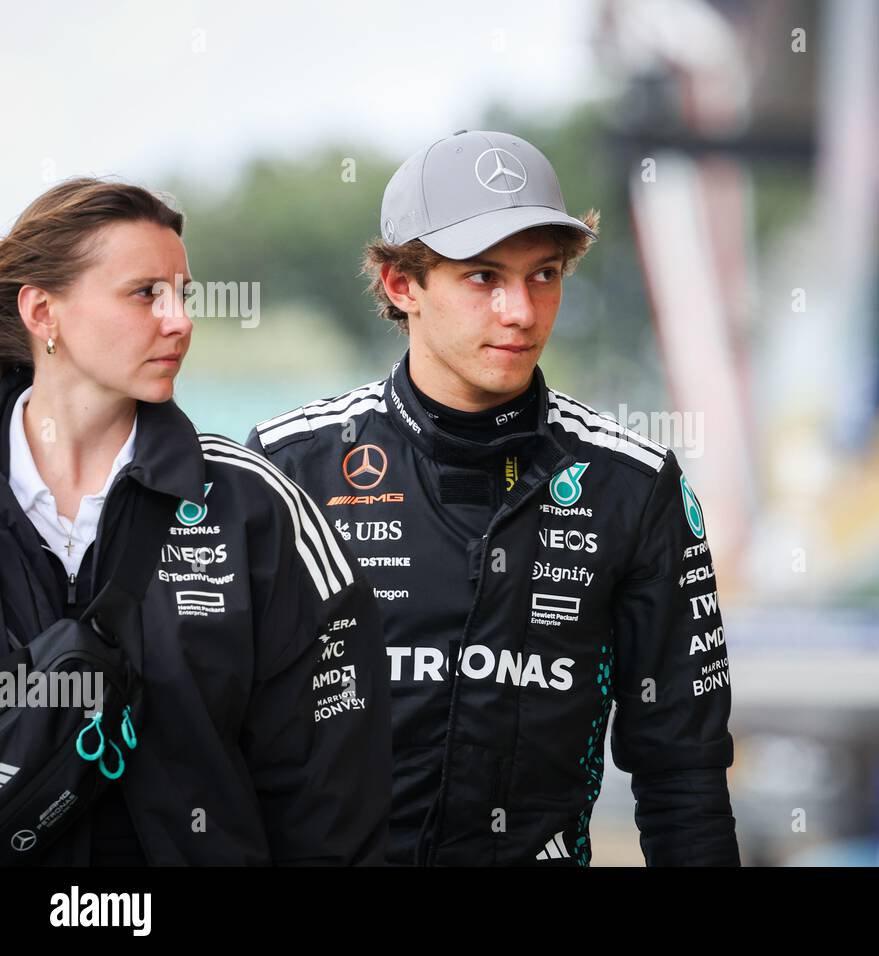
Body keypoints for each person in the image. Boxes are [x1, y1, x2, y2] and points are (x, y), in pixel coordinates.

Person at [248, 130, 739, 866]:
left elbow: (685, 774)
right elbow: (202, 744)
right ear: (401, 285)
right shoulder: (288, 469)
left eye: (544, 274)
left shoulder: (635, 487)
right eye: (483, 277)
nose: (521, 310)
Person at [0, 177, 391, 864]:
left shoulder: (257, 508)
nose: (179, 320)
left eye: (183, 294)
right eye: (145, 293)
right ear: (42, 311)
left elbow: (330, 800)